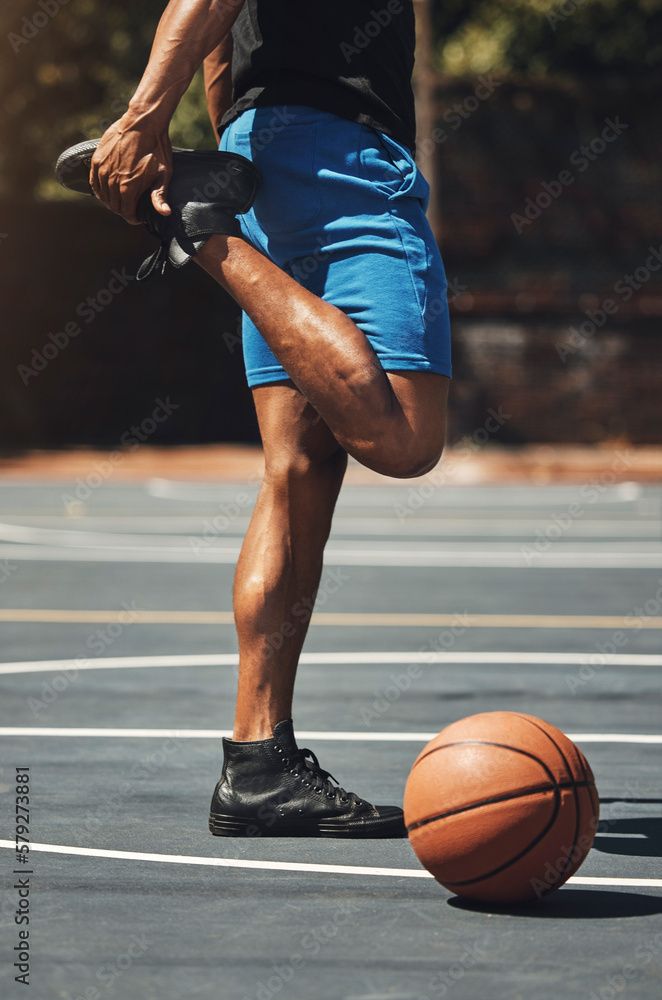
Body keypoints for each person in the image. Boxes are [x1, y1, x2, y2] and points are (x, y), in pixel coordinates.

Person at [89, 0, 452, 838]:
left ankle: (259, 765)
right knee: (403, 435)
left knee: (296, 468)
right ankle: (203, 232)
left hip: (264, 157)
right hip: (343, 156)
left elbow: (223, 43)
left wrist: (239, 166)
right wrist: (147, 120)